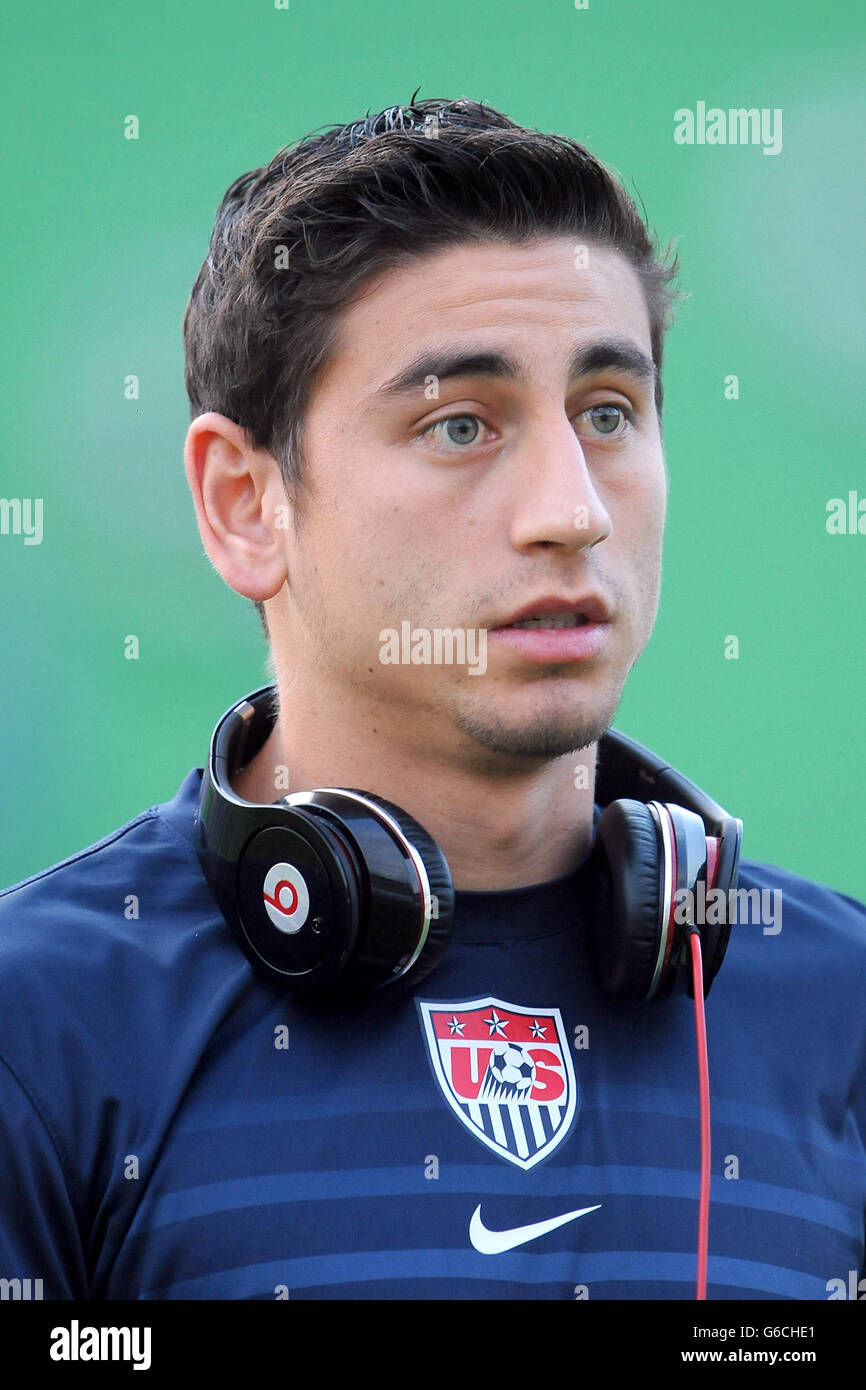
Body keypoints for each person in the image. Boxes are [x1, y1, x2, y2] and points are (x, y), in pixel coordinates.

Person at [0, 97, 863, 1303]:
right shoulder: (36, 1023)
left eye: (607, 413)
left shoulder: (843, 1011)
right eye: (460, 424)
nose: (571, 509)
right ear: (246, 504)